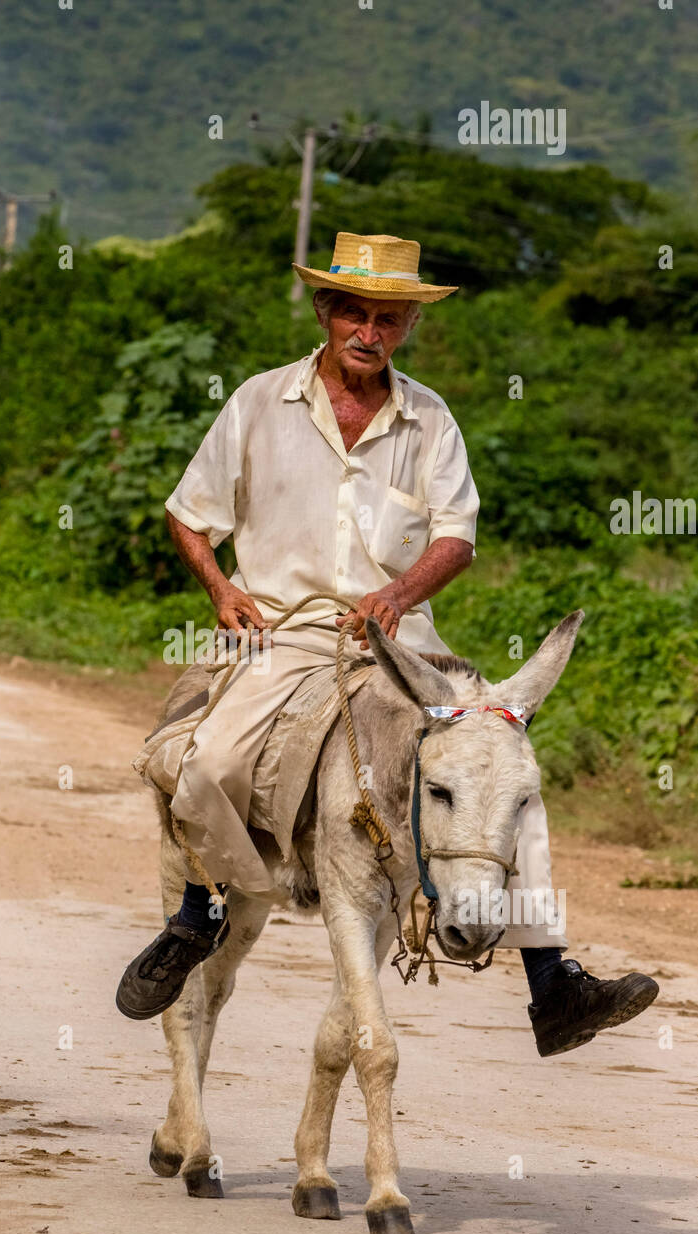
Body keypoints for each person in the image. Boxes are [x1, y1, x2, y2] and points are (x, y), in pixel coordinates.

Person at [116, 232, 658, 1056]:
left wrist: (397, 595)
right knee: (208, 761)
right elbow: (189, 513)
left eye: (388, 318)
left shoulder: (430, 417)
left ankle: (550, 979)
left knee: (500, 763)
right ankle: (198, 915)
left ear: (405, 326)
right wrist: (221, 591)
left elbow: (456, 537)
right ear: (326, 313)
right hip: (287, 632)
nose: (369, 331)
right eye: (355, 314)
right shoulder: (259, 401)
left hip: (405, 644)